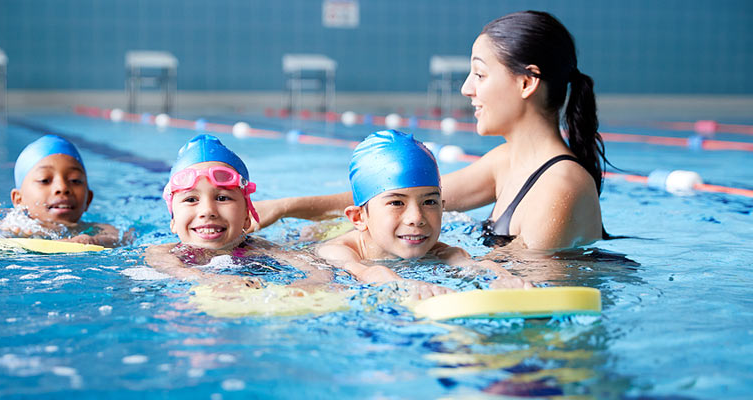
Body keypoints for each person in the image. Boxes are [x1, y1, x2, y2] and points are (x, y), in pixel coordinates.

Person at [251, 10, 609, 251]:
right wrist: (284, 209)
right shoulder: (508, 161)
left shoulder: (560, 187)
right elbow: (389, 198)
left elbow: (515, 286)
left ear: (527, 82)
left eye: (480, 75)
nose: (467, 89)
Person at [316, 130, 530, 293]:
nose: (416, 218)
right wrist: (399, 284)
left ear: (443, 207)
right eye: (396, 203)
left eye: (429, 202)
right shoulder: (336, 252)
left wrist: (501, 276)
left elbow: (468, 263)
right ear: (359, 218)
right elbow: (364, 271)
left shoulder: (441, 251)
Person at [144, 134, 333, 292]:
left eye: (222, 198)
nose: (207, 211)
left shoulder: (261, 249)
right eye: (191, 199)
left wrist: (306, 286)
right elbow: (179, 272)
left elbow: (318, 270)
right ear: (173, 222)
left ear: (246, 216)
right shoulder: (163, 252)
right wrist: (214, 281)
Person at [0, 134, 123, 246]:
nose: (62, 188)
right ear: (18, 199)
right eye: (44, 180)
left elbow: (121, 238)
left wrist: (92, 241)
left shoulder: (96, 231)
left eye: (75, 180)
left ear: (88, 199)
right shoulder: (13, 226)